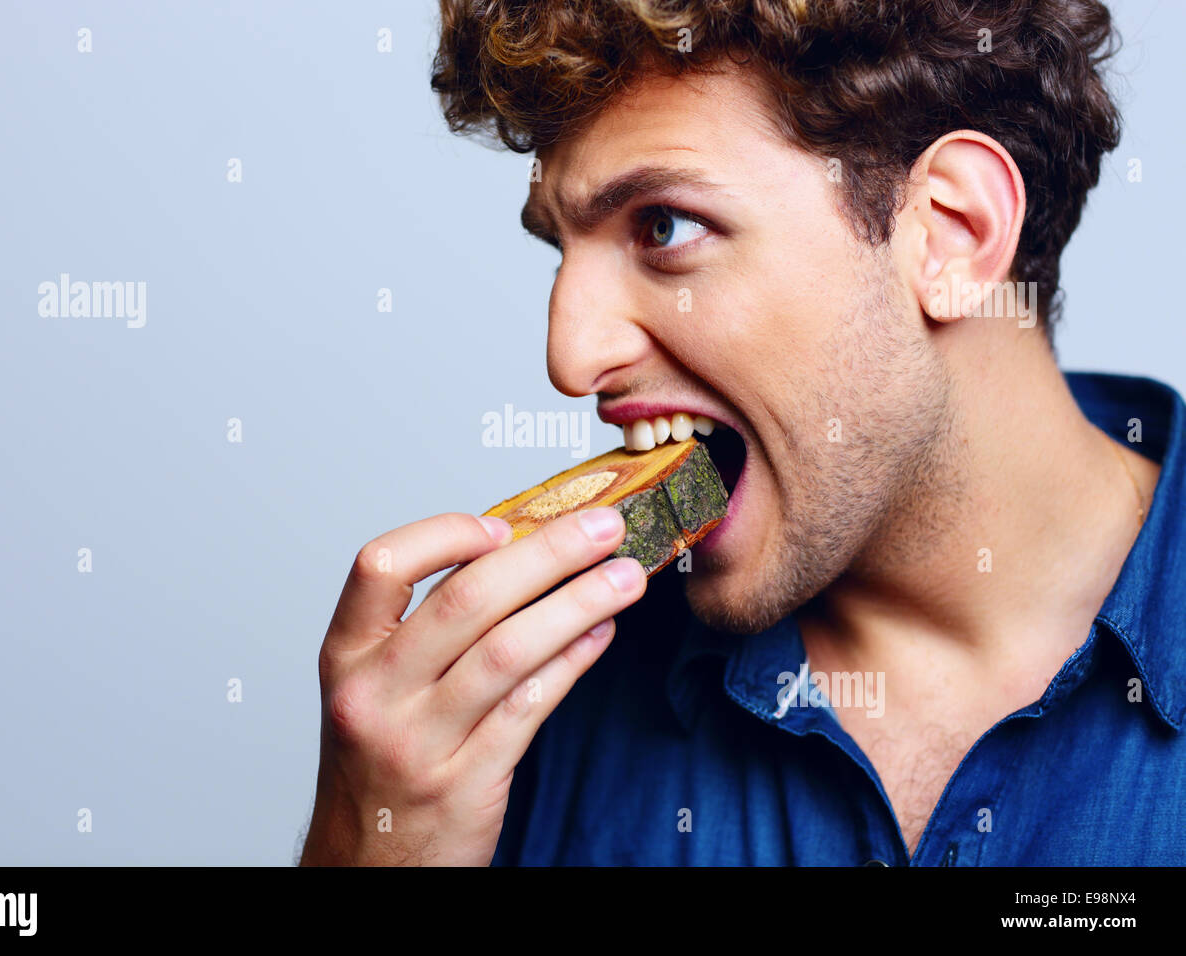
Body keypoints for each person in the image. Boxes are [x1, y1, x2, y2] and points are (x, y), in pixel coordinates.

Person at [301, 0, 1186, 866]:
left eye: (664, 226)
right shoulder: (499, 726)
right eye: (560, 248)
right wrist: (369, 846)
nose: (569, 359)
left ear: (952, 233)